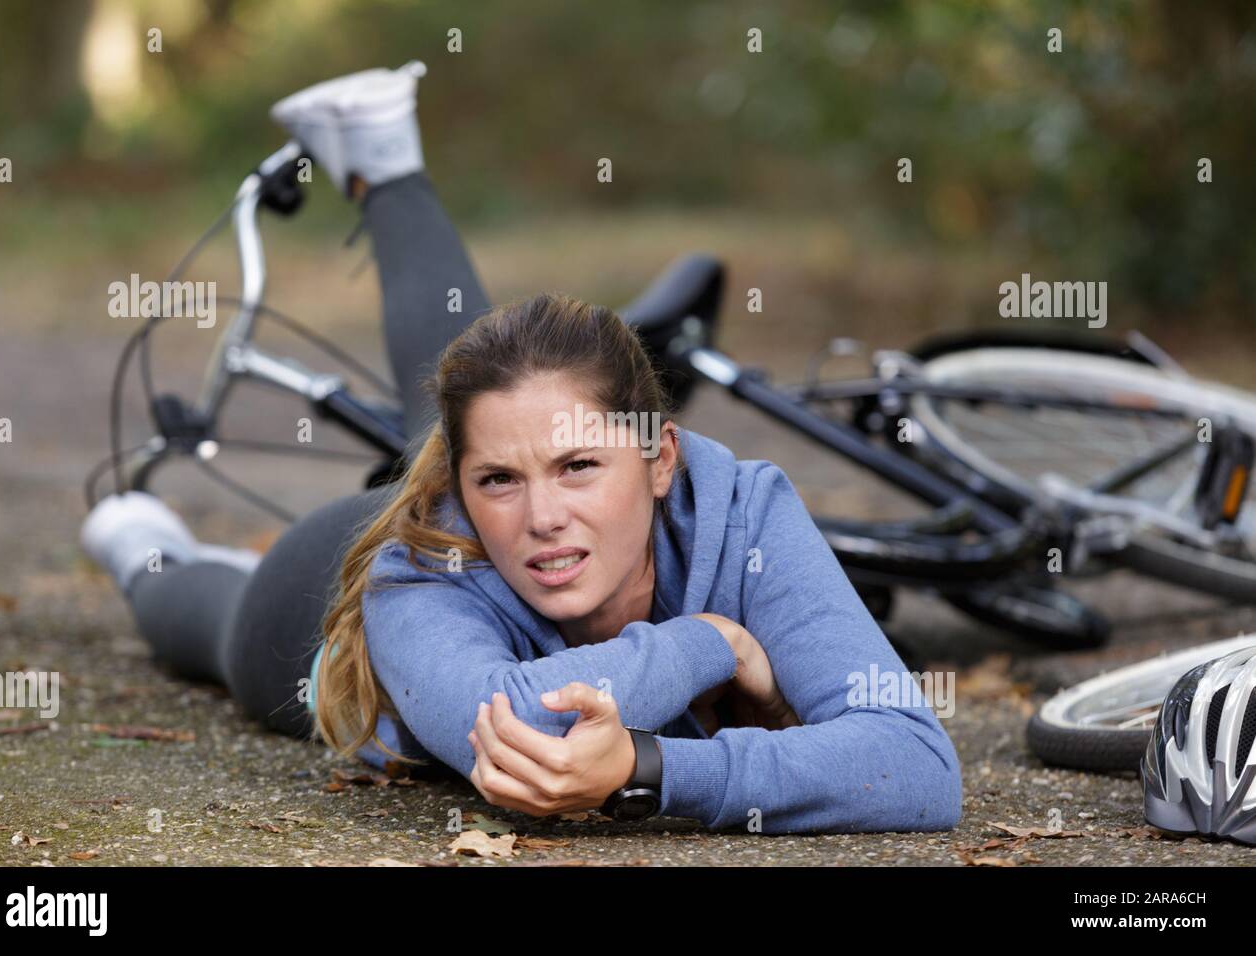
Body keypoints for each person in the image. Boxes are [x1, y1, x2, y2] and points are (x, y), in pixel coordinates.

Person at [82, 63, 962, 835]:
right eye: (498, 481)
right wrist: (713, 644)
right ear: (464, 484)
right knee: (206, 617)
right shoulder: (414, 565)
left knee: (491, 389)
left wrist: (651, 771)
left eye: (581, 466)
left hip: (475, 473)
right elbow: (511, 728)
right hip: (310, 605)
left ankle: (385, 164)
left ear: (661, 459)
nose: (544, 520)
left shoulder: (745, 513)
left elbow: (916, 766)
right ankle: (130, 533)